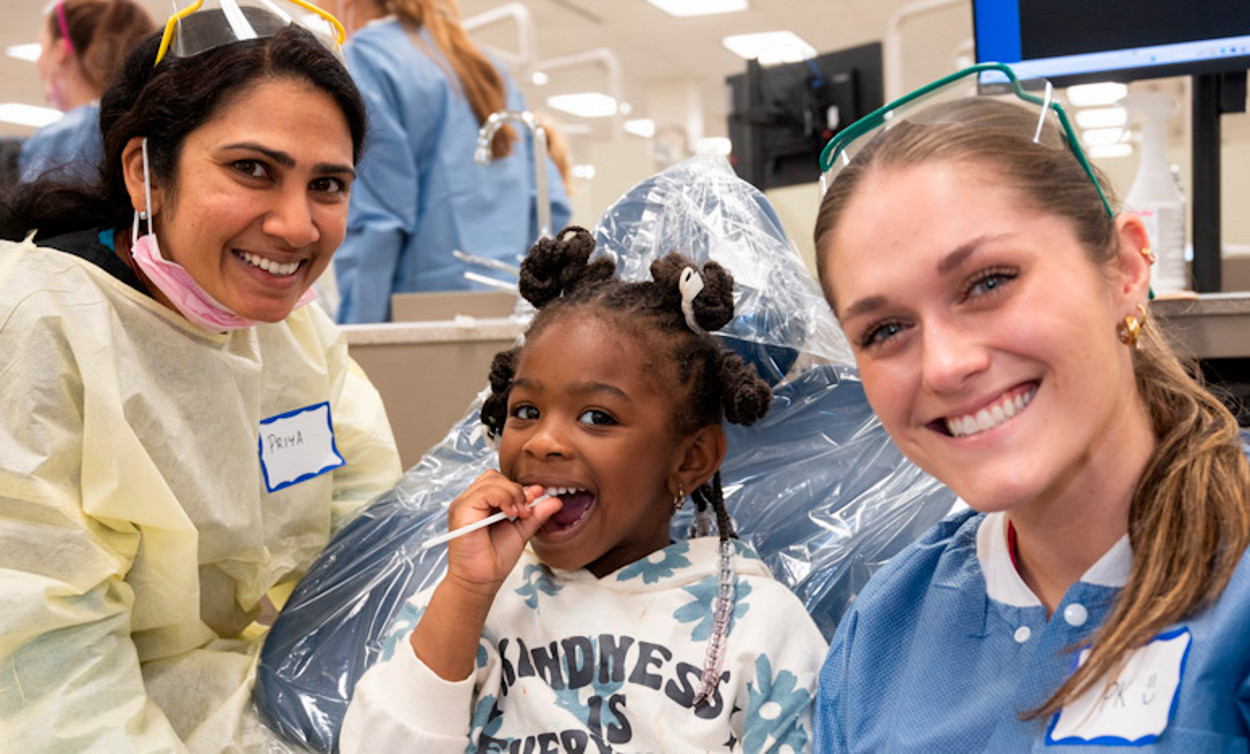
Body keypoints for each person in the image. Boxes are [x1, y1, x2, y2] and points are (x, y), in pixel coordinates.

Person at [0, 2, 403, 751]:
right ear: (144, 173)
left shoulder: (297, 333)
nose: (297, 226)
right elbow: (45, 683)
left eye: (328, 185)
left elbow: (373, 542)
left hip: (249, 702)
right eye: (253, 170)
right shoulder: (35, 329)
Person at [811, 66, 1250, 751]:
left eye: (988, 282)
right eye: (885, 331)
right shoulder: (883, 634)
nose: (947, 366)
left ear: (1127, 270)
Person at [339, 227, 827, 752]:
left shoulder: (760, 628)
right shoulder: (471, 605)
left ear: (691, 459)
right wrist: (467, 591)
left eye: (597, 417)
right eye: (525, 411)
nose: (543, 441)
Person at [329, 0, 572, 323]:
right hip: (511, 312)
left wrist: (355, 338)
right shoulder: (486, 67)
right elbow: (551, 204)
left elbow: (377, 226)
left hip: (420, 318)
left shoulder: (368, 59)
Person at [20, 0, 154, 184]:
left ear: (59, 52)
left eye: (42, 46)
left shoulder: (60, 140)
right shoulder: (151, 124)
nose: (38, 61)